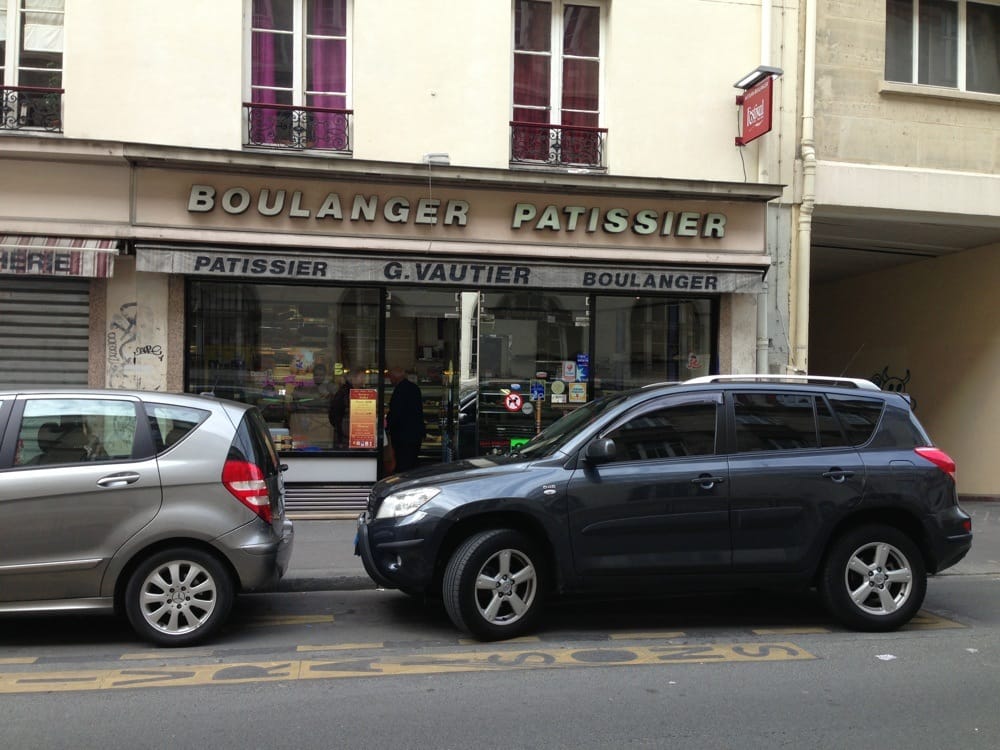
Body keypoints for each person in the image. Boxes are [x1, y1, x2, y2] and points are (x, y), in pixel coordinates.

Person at [386, 365, 426, 473]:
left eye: (390, 377)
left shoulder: (399, 390)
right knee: (412, 462)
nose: (390, 380)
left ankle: (404, 482)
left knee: (403, 464)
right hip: (415, 434)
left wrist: (386, 425)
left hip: (403, 435)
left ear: (395, 377)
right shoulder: (414, 387)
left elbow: (396, 412)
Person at [329, 368, 365, 448]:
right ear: (353, 378)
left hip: (359, 431)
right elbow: (335, 415)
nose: (364, 379)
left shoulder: (362, 391)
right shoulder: (344, 392)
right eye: (362, 377)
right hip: (344, 435)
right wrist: (341, 431)